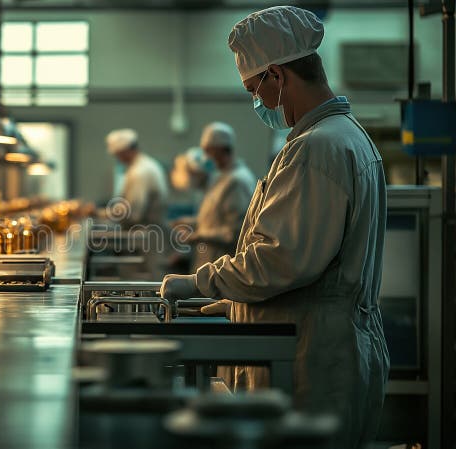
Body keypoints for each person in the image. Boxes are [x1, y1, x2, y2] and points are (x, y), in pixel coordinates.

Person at [159, 6, 389, 449]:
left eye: (254, 89)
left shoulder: (318, 149)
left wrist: (202, 282)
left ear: (277, 77)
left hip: (313, 357)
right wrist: (241, 306)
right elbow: (314, 260)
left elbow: (281, 259)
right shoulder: (341, 137)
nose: (258, 102)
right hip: (322, 338)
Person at [190, 122, 256, 271]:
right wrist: (191, 223)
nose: (205, 157)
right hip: (210, 265)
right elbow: (215, 218)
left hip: (223, 267)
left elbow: (234, 232)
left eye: (208, 151)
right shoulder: (221, 177)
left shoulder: (237, 181)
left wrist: (199, 236)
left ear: (220, 150)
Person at [106, 128, 169, 229]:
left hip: (145, 234)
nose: (118, 158)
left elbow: (134, 213)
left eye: (118, 154)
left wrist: (103, 213)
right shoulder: (144, 165)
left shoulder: (140, 171)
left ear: (126, 151)